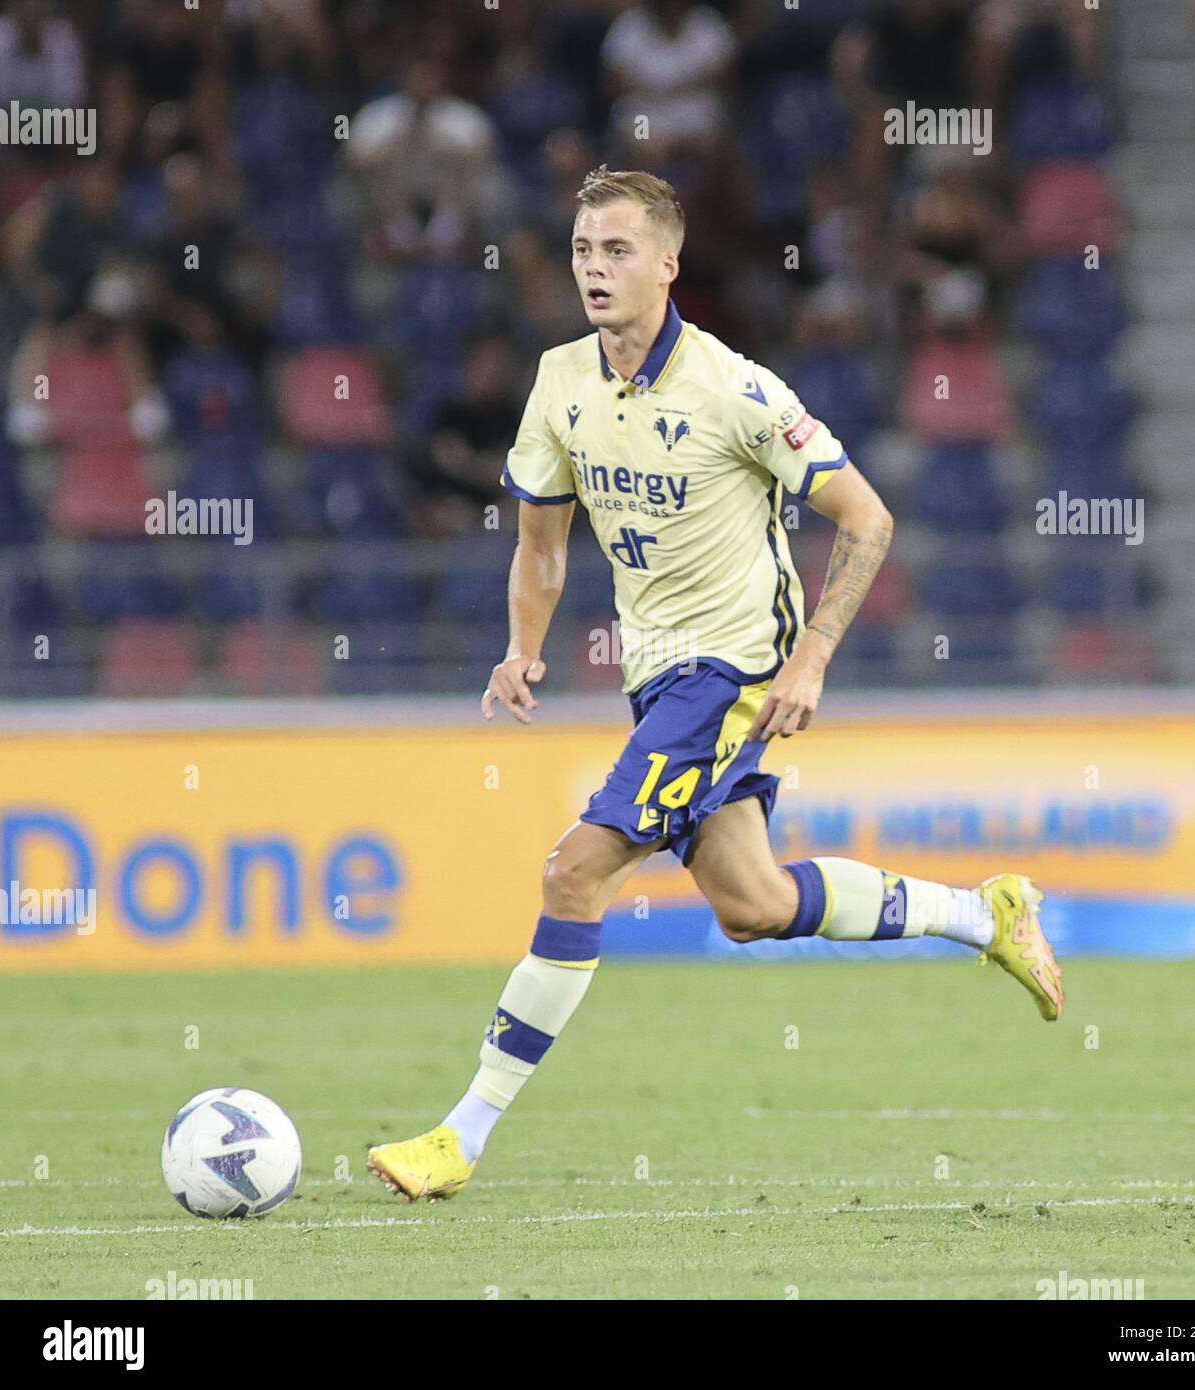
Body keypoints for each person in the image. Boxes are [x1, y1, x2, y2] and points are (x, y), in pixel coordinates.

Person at [367, 166, 1063, 1203]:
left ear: (667, 263)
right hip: (655, 677)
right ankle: (986, 913)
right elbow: (542, 543)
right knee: (752, 902)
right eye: (582, 251)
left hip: (730, 667)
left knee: (573, 873)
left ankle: (461, 1135)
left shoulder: (738, 391)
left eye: (617, 250)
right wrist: (521, 648)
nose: (595, 269)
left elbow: (868, 520)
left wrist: (812, 654)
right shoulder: (560, 382)